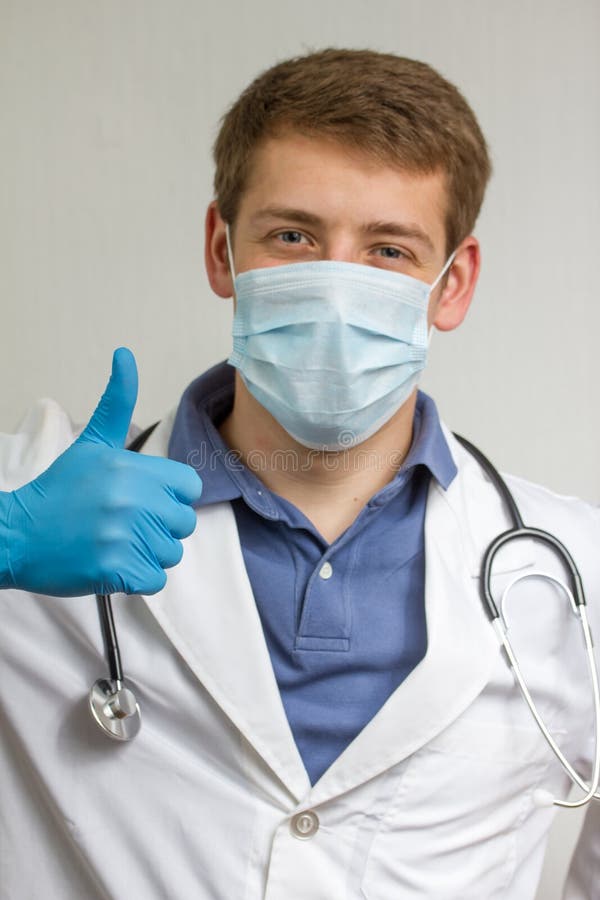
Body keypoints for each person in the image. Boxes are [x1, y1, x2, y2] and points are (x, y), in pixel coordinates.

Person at [0, 48, 598, 899]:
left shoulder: (572, 571)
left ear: (452, 284)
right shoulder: (33, 497)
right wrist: (6, 538)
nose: (336, 288)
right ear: (222, 250)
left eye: (389, 251)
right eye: (294, 236)